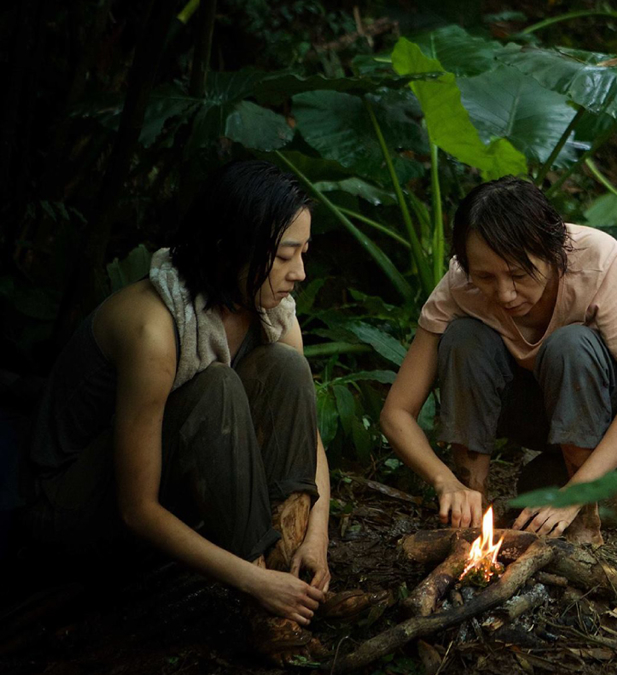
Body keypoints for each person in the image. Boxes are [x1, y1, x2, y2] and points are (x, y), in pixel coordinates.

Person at [16, 160, 360, 663]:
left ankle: (290, 574)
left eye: (303, 253)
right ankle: (267, 601)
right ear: (232, 248)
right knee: (215, 387)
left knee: (288, 368)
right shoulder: (154, 328)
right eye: (286, 255)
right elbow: (137, 509)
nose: (300, 273)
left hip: (172, 496)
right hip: (74, 511)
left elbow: (308, 438)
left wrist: (317, 535)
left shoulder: (269, 307)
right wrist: (251, 581)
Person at [380, 177, 617, 545]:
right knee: (463, 338)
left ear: (553, 251)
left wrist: (573, 497)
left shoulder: (598, 261)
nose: (504, 293)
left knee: (571, 344)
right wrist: (446, 483)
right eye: (485, 277)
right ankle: (472, 507)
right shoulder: (461, 284)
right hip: (540, 412)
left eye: (519, 274)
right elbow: (396, 412)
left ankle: (584, 515)